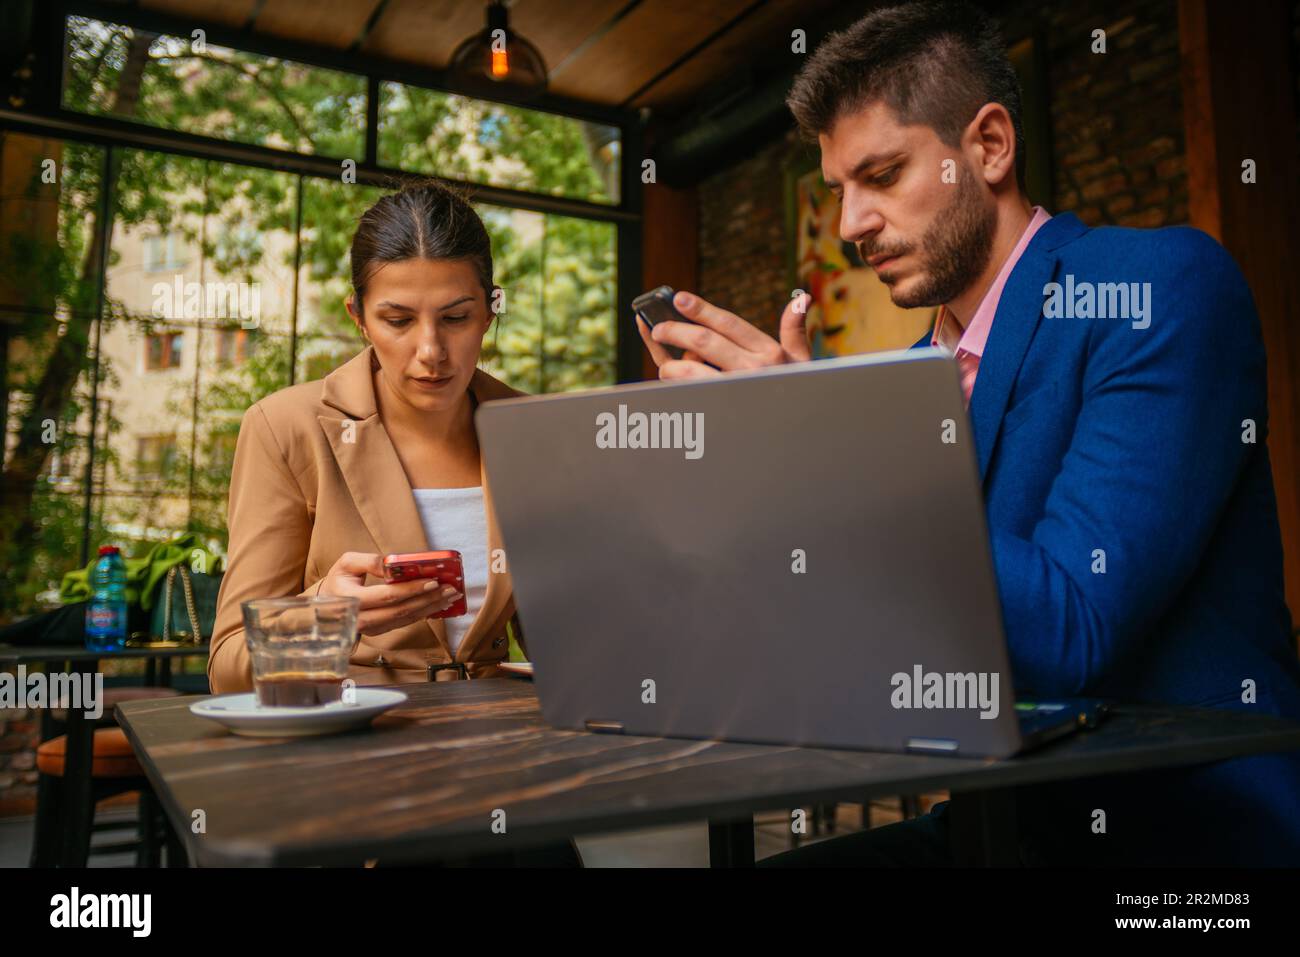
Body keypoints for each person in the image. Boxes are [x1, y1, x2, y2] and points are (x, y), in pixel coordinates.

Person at [639, 1, 1300, 866]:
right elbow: (867, 658)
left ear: (988, 146)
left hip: (1185, 840)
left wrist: (822, 437)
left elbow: (1072, 632)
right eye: (840, 188)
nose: (849, 225)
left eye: (881, 175)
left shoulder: (1155, 290)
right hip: (1005, 824)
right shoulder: (905, 384)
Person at [209, 180, 524, 694]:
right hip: (351, 745)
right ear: (358, 317)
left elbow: (574, 642)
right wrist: (324, 614)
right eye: (398, 320)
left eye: (456, 318)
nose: (431, 350)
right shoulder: (286, 427)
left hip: (502, 742)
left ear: (490, 311)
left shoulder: (530, 427)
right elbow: (228, 667)